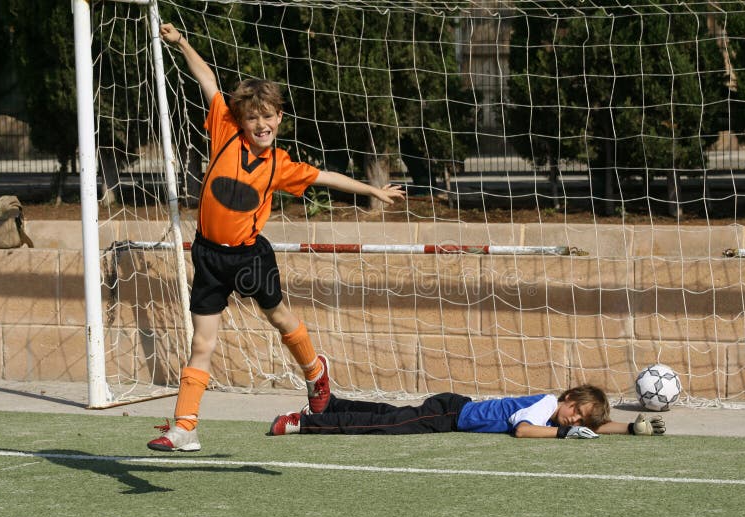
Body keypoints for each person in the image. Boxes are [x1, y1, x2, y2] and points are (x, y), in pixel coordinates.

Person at [148, 23, 406, 452]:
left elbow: (326, 177)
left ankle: (315, 372)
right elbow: (207, 79)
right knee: (201, 342)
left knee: (280, 319)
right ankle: (185, 427)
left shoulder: (281, 165)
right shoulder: (225, 131)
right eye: (253, 117)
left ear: (279, 119)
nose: (260, 123)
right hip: (208, 256)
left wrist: (373, 190)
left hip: (251, 258)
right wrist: (181, 43)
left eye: (268, 116)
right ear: (241, 120)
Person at [268, 384, 666, 438]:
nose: (575, 419)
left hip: (451, 409)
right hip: (449, 416)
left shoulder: (558, 413)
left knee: (390, 413)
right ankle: (303, 422)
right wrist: (564, 433)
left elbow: (593, 426)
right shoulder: (547, 406)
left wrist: (631, 428)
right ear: (568, 398)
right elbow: (522, 431)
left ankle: (332, 403)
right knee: (385, 426)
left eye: (580, 419)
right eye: (576, 411)